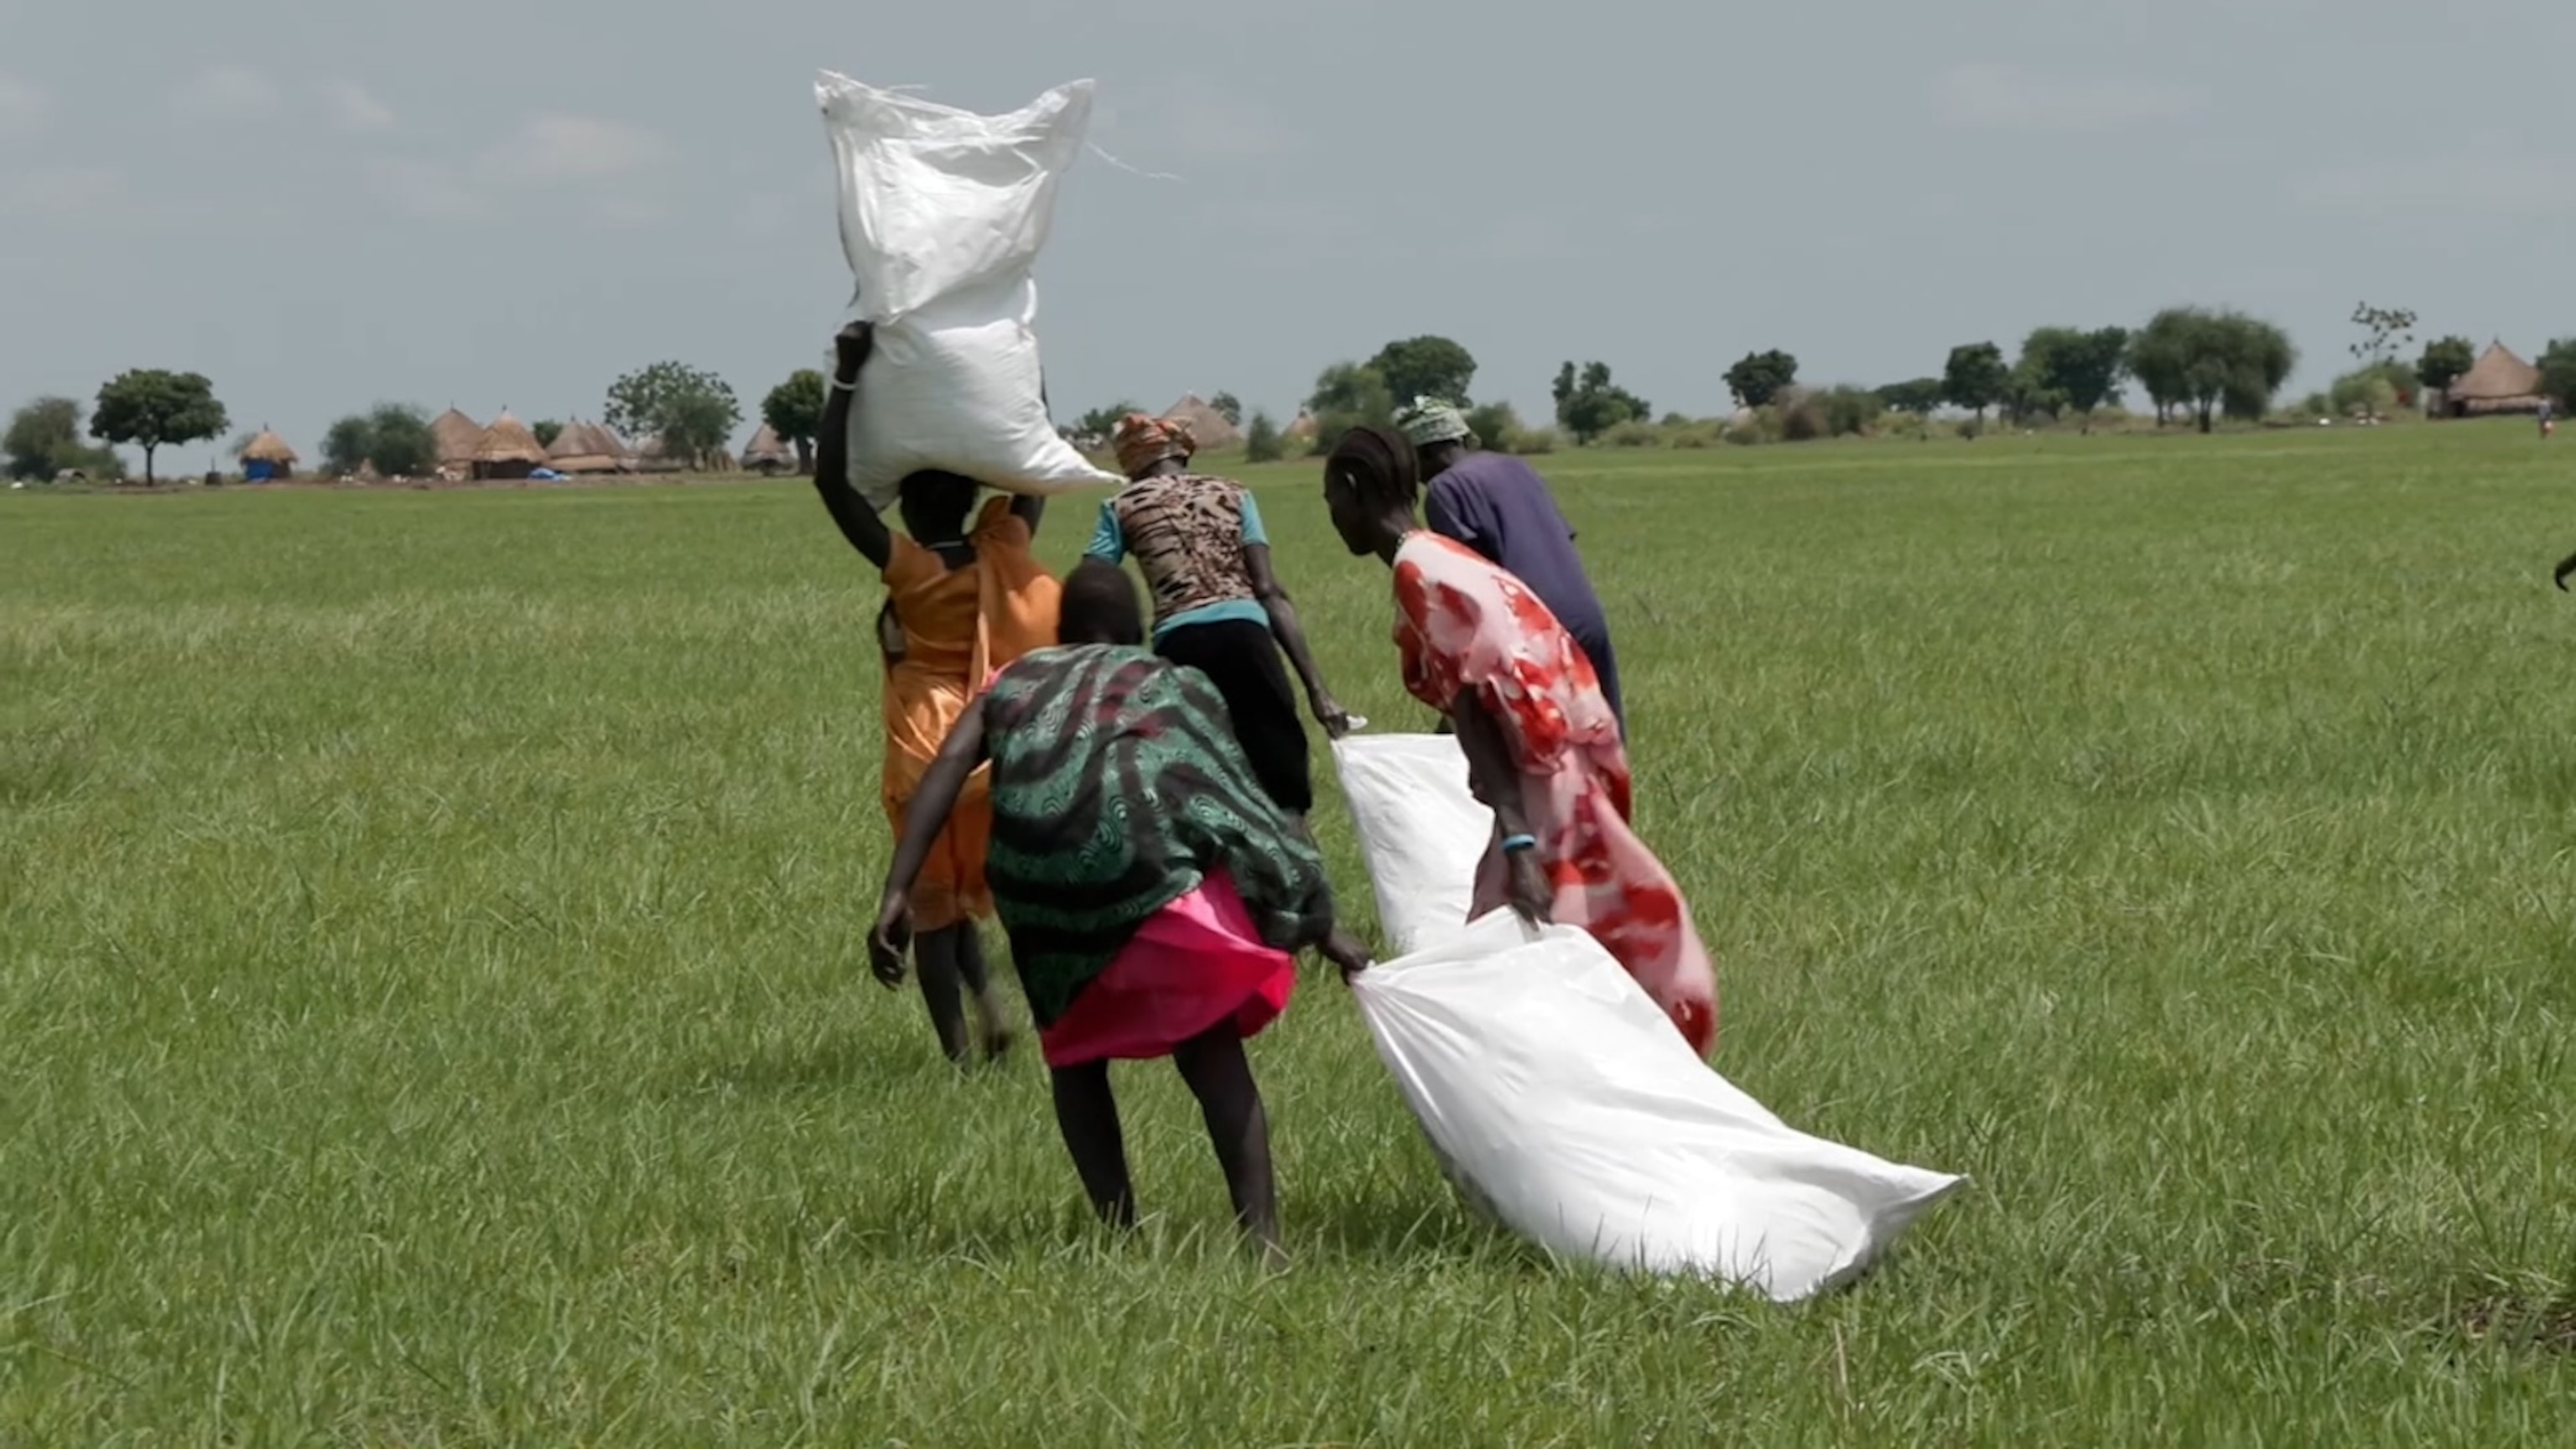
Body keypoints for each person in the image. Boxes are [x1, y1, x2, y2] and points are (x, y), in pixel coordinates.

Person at [870, 561, 1373, 1263]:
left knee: (1076, 1058)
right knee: (1212, 1051)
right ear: (1137, 632)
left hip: (1039, 893)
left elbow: (948, 768)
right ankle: (1263, 1244)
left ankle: (1119, 1234)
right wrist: (1321, 926)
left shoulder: (1013, 681)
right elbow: (1236, 805)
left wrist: (898, 888)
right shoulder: (1172, 681)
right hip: (1150, 881)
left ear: (1060, 632)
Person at [1322, 424, 1716, 1057]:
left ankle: (1621, 1071)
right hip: (1566, 753)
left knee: (1521, 944)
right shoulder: (1437, 555)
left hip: (1543, 774)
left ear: (1353, 489)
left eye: (1330, 502)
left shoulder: (1418, 572)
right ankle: (1624, 1060)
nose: (1332, 518)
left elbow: (1475, 704)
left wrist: (1519, 841)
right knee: (1553, 932)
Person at [815, 319, 1062, 1067]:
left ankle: (958, 1052)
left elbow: (832, 483)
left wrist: (848, 376)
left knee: (932, 904)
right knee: (991, 888)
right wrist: (1026, 367)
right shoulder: (1003, 546)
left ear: (913, 514)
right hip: (1001, 741)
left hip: (928, 746)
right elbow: (1031, 465)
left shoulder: (911, 570)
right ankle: (1003, 1006)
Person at [1085, 413, 1351, 823]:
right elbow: (1268, 590)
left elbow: (1095, 584)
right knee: (1281, 786)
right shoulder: (1234, 494)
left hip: (1179, 644)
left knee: (1198, 784)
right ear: (1181, 454)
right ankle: (1298, 873)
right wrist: (1319, 692)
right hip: (1248, 638)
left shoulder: (1120, 507)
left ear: (1133, 465)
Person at [1394, 397, 1626, 736]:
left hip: (1533, 627)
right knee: (1597, 744)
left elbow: (1468, 584)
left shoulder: (1446, 490)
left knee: (1527, 755)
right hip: (1585, 615)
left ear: (1425, 454)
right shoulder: (1518, 468)